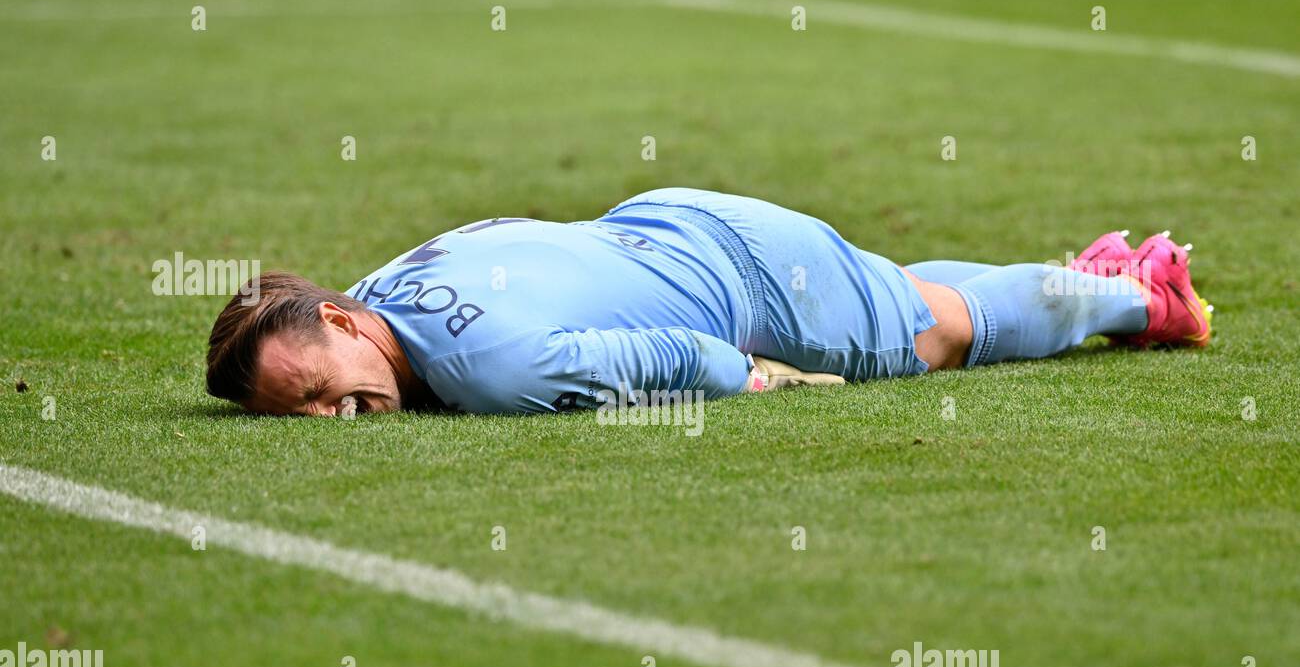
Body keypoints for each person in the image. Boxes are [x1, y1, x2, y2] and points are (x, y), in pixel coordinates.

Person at [204, 188, 1211, 417]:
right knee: (903, 294)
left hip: (751, 282)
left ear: (336, 321)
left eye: (316, 390)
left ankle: (1142, 298)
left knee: (932, 336)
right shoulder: (384, 287)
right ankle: (1088, 274)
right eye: (290, 415)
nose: (323, 420)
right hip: (671, 221)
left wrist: (764, 377)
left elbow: (672, 358)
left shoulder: (492, 374)